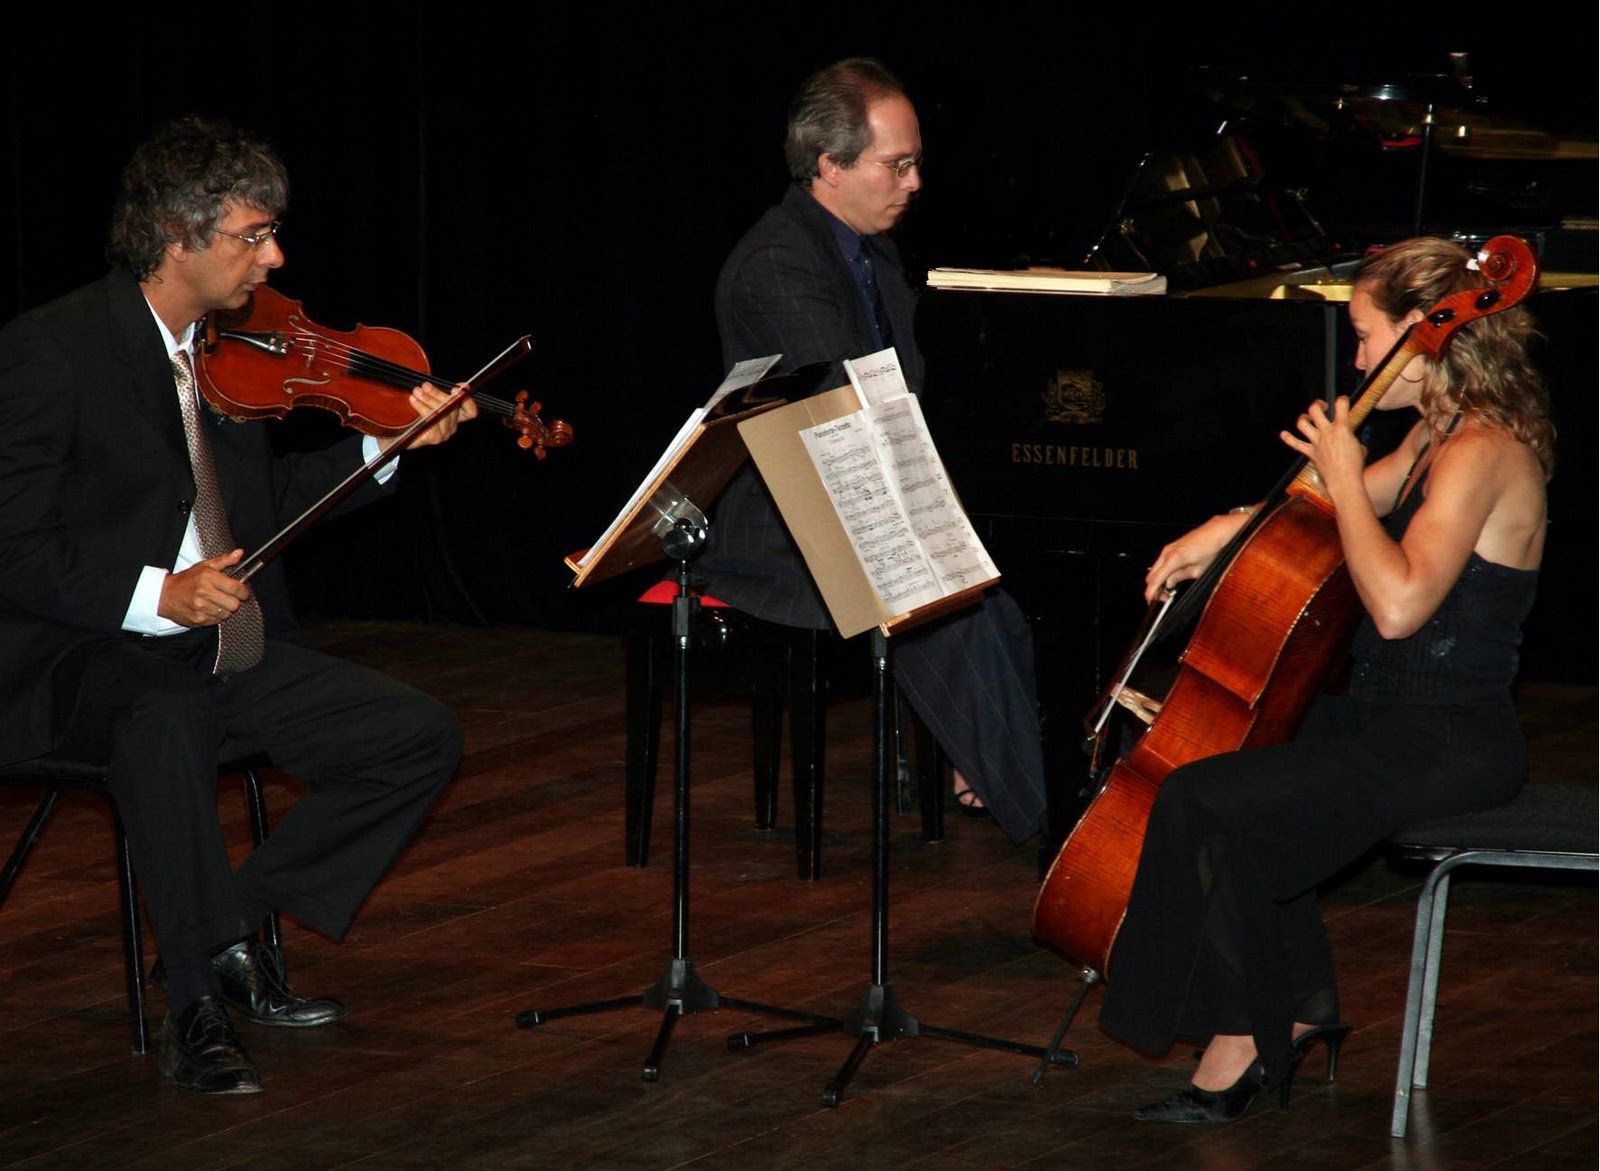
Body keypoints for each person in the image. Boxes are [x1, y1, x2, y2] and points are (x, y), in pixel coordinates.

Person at [0, 115, 477, 1095]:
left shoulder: (226, 355)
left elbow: (259, 510)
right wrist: (158, 594)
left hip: (215, 648)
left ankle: (223, 932)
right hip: (75, 658)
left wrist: (380, 449)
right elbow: (14, 547)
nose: (275, 256)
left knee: (414, 735)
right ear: (179, 235)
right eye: (253, 235)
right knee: (165, 714)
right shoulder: (52, 349)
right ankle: (197, 1009)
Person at [1097, 236, 1554, 1121]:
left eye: (1366, 335)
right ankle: (1296, 1001)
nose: (1358, 360)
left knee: (1206, 801)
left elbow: (1399, 606)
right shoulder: (1434, 433)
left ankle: (1245, 1029)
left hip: (1452, 740)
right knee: (1225, 753)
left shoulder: (1484, 451)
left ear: (1425, 336)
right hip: (1392, 719)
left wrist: (1342, 477)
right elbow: (1317, 507)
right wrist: (1222, 530)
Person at [699, 57, 1049, 843]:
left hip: (859, 501)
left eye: (915, 162)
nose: (915, 182)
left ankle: (1047, 775)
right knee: (950, 609)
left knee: (1003, 593)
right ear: (829, 165)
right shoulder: (778, 264)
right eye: (898, 164)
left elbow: (919, 383)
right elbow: (842, 413)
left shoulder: (869, 249)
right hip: (789, 530)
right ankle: (1047, 813)